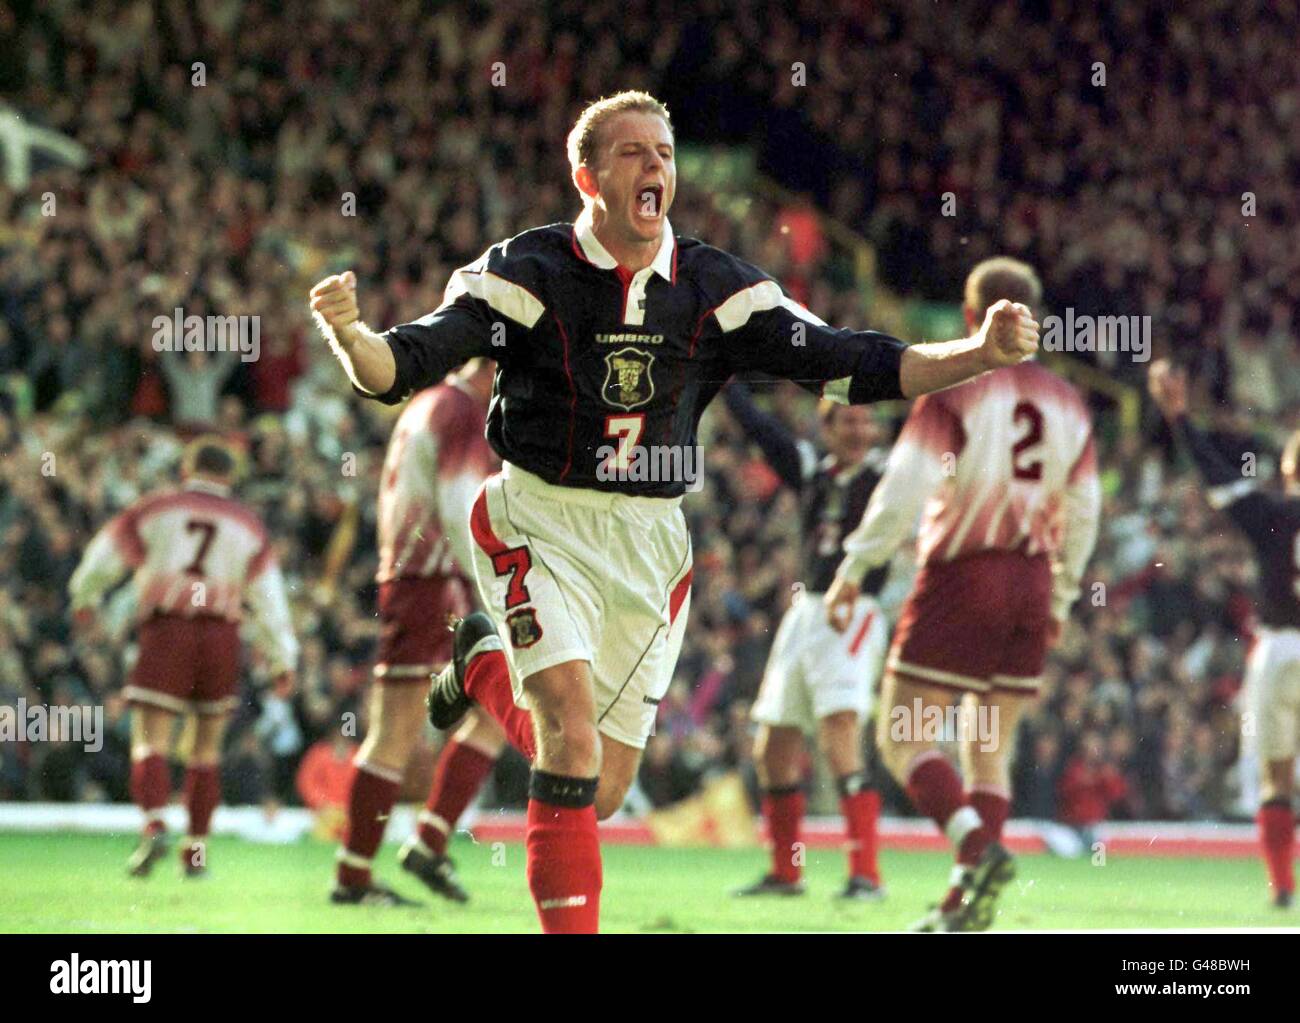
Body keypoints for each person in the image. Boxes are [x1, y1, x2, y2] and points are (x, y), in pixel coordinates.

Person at [309, 92, 1039, 933]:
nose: (654, 167)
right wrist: (352, 336)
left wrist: (978, 352)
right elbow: (404, 363)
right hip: (536, 518)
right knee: (572, 743)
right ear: (586, 176)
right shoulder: (524, 271)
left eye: (663, 152)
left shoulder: (717, 288)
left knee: (602, 790)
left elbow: (848, 363)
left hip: (653, 544)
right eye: (631, 154)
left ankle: (480, 666)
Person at [825, 257, 1099, 931]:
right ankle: (962, 904)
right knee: (989, 745)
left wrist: (854, 567)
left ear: (971, 318)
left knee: (899, 732)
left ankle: (978, 850)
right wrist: (1061, 597)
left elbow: (904, 489)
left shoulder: (954, 385)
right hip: (1033, 580)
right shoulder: (1069, 402)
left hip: (964, 574)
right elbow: (1085, 509)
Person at [68, 436, 298, 877]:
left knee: (150, 737)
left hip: (167, 629)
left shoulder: (158, 508)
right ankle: (196, 853)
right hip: (221, 635)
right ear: (229, 477)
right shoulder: (247, 524)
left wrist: (85, 596)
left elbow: (104, 557)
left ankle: (155, 823)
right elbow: (270, 599)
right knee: (205, 749)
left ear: (186, 470)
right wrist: (281, 657)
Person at [331, 359, 508, 906]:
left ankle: (423, 844)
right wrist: (489, 587)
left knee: (497, 710)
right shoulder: (461, 411)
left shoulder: (427, 404)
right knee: (399, 730)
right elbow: (461, 509)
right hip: (438, 579)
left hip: (416, 577)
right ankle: (358, 876)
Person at [723, 382, 889, 901]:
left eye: (866, 420)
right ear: (827, 427)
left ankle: (866, 874)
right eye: (848, 419)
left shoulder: (887, 479)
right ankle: (786, 872)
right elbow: (764, 432)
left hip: (854, 609)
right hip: (806, 613)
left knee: (839, 734)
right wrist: (725, 380)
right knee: (772, 747)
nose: (860, 429)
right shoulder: (814, 470)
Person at [1149, 358, 1300, 908]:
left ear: (1288, 471)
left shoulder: (1274, 513)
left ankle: (1283, 887)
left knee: (1274, 777)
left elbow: (1218, 481)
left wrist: (1181, 418)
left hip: (1281, 649)